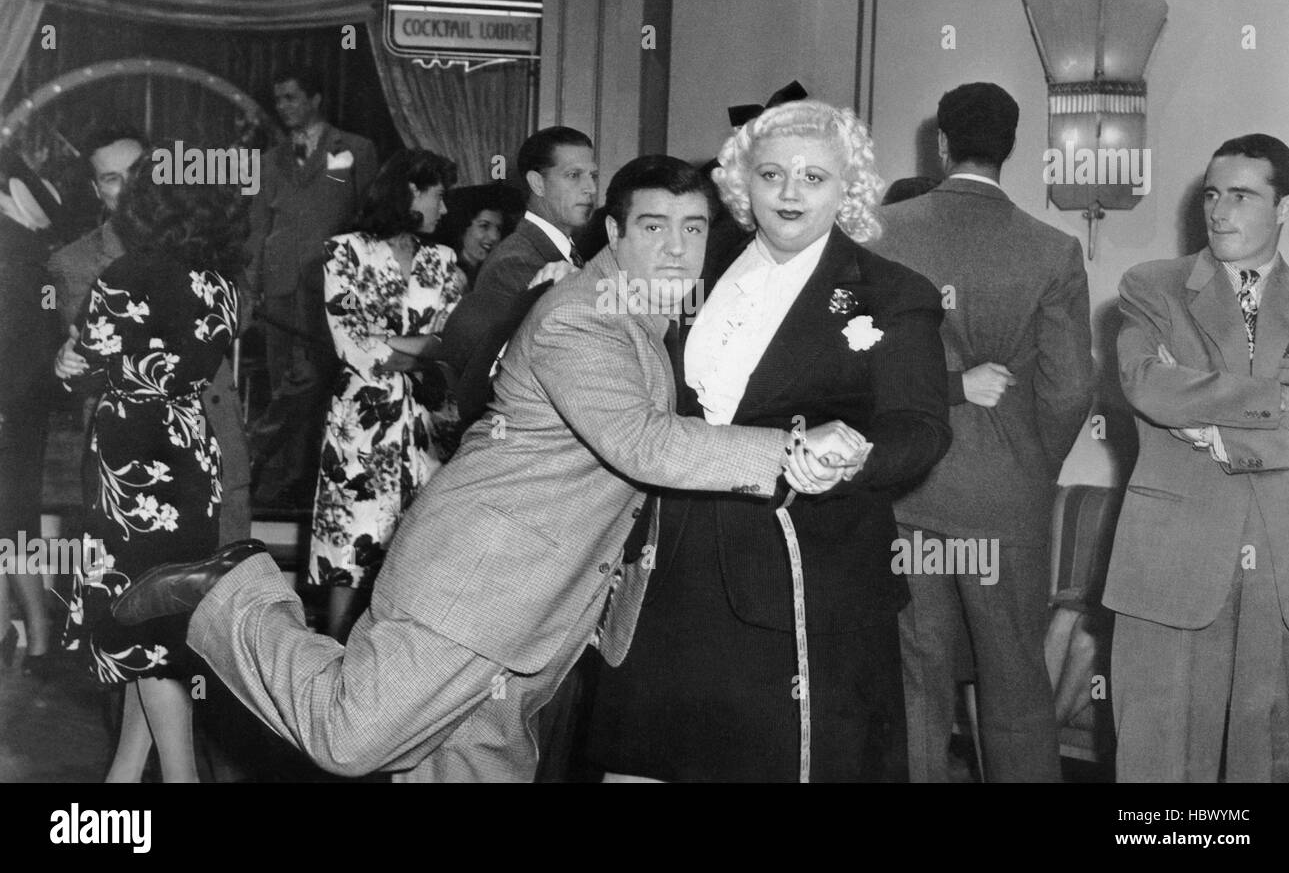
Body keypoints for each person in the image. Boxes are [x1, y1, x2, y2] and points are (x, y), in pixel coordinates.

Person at [111, 155, 870, 783]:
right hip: (472, 592)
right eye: (654, 226)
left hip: (528, 616)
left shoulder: (644, 315)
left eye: (694, 228)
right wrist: (790, 451)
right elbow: (648, 444)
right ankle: (234, 589)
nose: (677, 248)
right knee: (348, 734)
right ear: (612, 231)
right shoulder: (586, 316)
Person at [588, 100, 952, 782]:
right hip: (673, 568)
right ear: (740, 181)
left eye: (815, 177)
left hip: (807, 582)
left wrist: (855, 454)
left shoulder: (891, 293)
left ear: (850, 188)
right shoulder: (693, 262)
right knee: (641, 765)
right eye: (772, 173)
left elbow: (923, 428)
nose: (790, 192)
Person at [874, 82, 1093, 782]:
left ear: (940, 144)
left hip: (909, 493)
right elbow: (1069, 389)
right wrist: (1028, 463)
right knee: (1015, 683)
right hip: (1004, 504)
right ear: (1011, 148)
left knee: (918, 681)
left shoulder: (881, 232)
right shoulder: (1053, 250)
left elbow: (857, 365)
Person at [1104, 134, 1289, 782]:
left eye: (1241, 195)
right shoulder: (1152, 286)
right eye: (1213, 194)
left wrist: (1214, 428)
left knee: (1266, 759)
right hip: (1171, 560)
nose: (1219, 210)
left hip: (1283, 566)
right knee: (1156, 769)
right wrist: (1276, 404)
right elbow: (1146, 383)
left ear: (1287, 209)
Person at [61, 157, 247, 783]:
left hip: (132, 456)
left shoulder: (127, 271)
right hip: (192, 453)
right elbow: (186, 363)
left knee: (137, 630)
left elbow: (89, 356)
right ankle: (123, 780)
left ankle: (181, 780)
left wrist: (69, 359)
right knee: (160, 623)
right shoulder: (222, 283)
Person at [51, 127, 253, 547]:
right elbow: (90, 359)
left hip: (214, 433)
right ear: (95, 189)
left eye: (137, 173)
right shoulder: (72, 263)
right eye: (111, 178)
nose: (127, 190)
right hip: (134, 456)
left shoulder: (205, 245)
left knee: (222, 581)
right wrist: (66, 359)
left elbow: (241, 315)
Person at [309, 151, 465, 641]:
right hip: (362, 423)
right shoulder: (344, 252)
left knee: (420, 545)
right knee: (350, 544)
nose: (446, 209)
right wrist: (422, 348)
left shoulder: (443, 260)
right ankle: (333, 661)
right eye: (439, 195)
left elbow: (454, 343)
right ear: (411, 191)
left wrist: (402, 347)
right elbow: (349, 344)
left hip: (427, 426)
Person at [246, 66, 379, 506]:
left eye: (292, 98)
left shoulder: (355, 150)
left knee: (325, 383)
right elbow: (256, 227)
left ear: (316, 99)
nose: (284, 107)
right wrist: (250, 288)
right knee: (287, 380)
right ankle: (286, 481)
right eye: (279, 99)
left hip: (335, 288)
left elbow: (369, 216)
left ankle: (311, 475)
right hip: (280, 288)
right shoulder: (268, 162)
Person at [439, 126, 596, 381]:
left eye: (593, 176)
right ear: (537, 183)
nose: (589, 187)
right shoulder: (516, 262)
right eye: (574, 175)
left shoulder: (563, 252)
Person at [0, 161, 62, 678]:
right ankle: (23, 635)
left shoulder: (12, 252)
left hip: (9, 407)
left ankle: (39, 640)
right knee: (13, 523)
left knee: (12, 525)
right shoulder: (29, 251)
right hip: (21, 407)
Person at [432, 183, 517, 290]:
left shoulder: (501, 273)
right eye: (484, 226)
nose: (494, 237)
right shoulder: (444, 269)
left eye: (498, 229)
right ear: (464, 227)